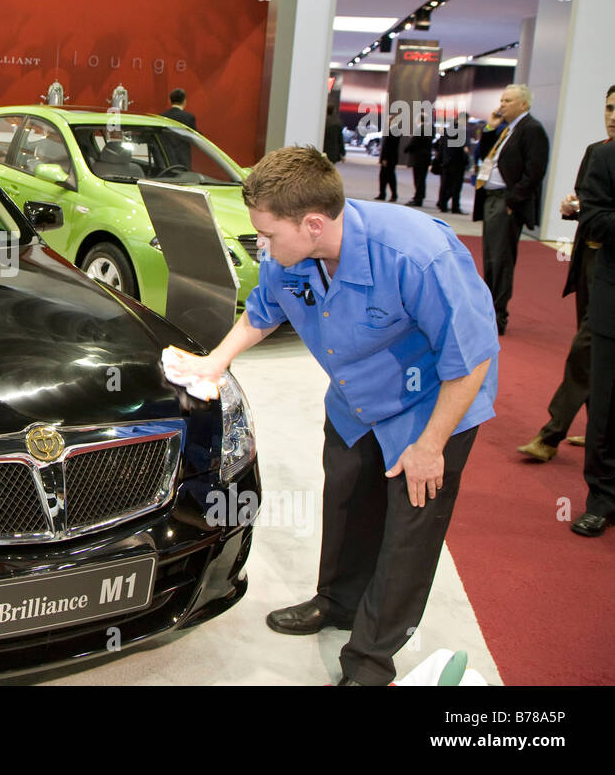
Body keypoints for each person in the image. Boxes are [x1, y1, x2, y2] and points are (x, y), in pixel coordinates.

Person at [162, 146, 498, 685]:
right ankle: (336, 603)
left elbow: (471, 358)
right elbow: (263, 310)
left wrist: (431, 445)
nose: (262, 246)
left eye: (268, 235)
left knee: (407, 534)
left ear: (313, 224)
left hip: (429, 409)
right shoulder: (291, 255)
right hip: (353, 401)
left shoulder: (418, 255)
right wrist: (214, 362)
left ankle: (369, 660)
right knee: (346, 504)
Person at [518, 102, 612, 462]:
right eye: (609, 107)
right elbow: (595, 207)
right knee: (594, 348)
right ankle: (597, 430)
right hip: (589, 260)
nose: (614, 115)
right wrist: (573, 209)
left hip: (609, 266)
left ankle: (551, 434)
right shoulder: (595, 152)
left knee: (584, 348)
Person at [568, 85, 615, 537]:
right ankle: (600, 498)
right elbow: (595, 220)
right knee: (605, 407)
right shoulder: (603, 158)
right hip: (612, 302)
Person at [473, 84, 551, 335]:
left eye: (507, 101)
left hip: (506, 202)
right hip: (492, 198)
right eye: (502, 100)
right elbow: (484, 155)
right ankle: (488, 310)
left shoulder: (532, 129)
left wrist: (512, 202)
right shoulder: (507, 130)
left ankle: (497, 317)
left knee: (501, 260)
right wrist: (489, 128)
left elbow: (535, 172)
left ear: (523, 105)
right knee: (490, 259)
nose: (501, 104)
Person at [435, 113, 469, 214]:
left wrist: (442, 159)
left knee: (445, 185)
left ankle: (442, 204)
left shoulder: (447, 129)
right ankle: (455, 207)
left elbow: (439, 145)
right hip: (457, 163)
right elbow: (460, 148)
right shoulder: (461, 131)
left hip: (446, 162)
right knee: (456, 186)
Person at [403, 112, 433, 207]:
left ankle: (418, 199)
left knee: (418, 179)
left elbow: (414, 142)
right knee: (421, 179)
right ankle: (419, 197)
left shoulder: (421, 128)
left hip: (419, 158)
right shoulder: (429, 128)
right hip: (425, 158)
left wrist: (406, 149)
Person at [375, 111, 399, 202]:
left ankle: (394, 195)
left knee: (390, 177)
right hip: (388, 158)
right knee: (383, 176)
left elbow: (390, 147)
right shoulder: (392, 130)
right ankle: (382, 193)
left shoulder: (395, 130)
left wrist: (385, 158)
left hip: (389, 158)